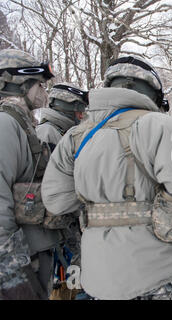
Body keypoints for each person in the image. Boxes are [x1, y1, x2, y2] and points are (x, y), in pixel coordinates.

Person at [41, 55, 172, 300]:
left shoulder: (75, 137)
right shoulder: (160, 125)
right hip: (159, 274)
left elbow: (56, 201)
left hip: (99, 275)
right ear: (151, 90)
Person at [0, 49, 62, 299]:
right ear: (20, 83)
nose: (44, 92)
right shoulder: (6, 124)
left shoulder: (23, 123)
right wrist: (13, 271)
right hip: (20, 259)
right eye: (39, 84)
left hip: (34, 251)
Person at [35, 82, 88, 300]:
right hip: (57, 226)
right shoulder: (48, 132)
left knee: (75, 276)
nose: (81, 114)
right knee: (64, 280)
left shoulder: (64, 133)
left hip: (68, 220)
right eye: (78, 109)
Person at [36, 82, 87, 150]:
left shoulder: (64, 131)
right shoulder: (46, 132)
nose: (81, 116)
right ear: (67, 108)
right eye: (80, 109)